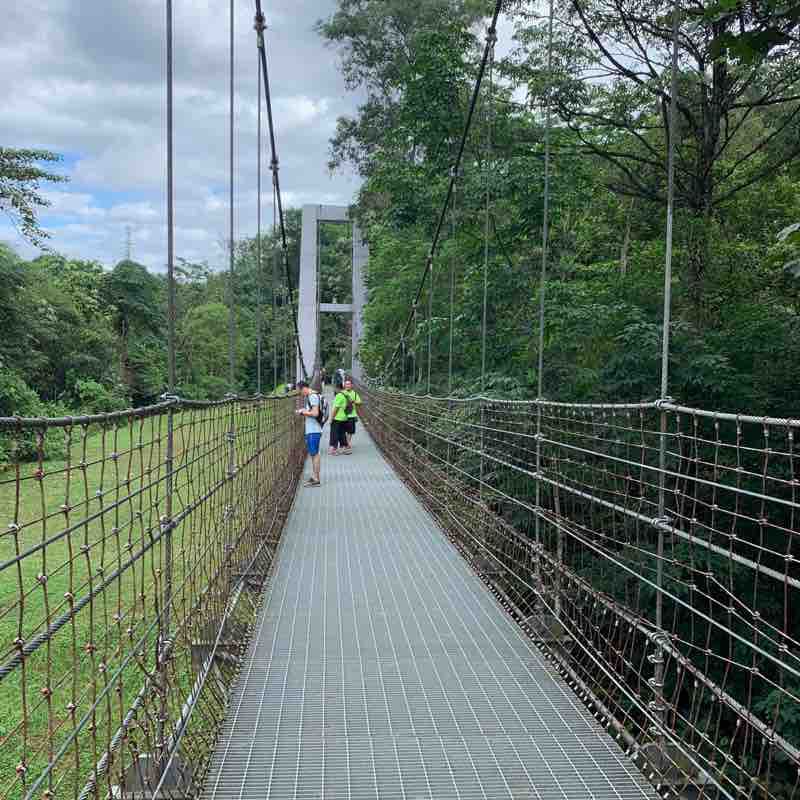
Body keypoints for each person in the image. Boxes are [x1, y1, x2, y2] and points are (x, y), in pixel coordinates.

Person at [296, 379, 322, 486]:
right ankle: (315, 477)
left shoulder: (312, 397)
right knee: (313, 454)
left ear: (304, 388)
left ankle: (316, 479)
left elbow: (315, 413)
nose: (300, 393)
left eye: (300, 391)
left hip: (314, 430)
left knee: (314, 454)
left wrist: (302, 412)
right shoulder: (311, 396)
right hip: (313, 430)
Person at [329, 385, 351, 455]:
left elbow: (336, 408)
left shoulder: (339, 395)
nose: (334, 390)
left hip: (337, 418)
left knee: (334, 434)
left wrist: (331, 419)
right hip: (345, 418)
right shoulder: (347, 394)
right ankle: (345, 449)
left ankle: (334, 450)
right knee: (342, 434)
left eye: (334, 388)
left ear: (337, 388)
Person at [343, 377, 362, 449]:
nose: (347, 385)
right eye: (346, 384)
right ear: (344, 385)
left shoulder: (354, 394)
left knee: (350, 431)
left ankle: (347, 443)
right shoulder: (342, 393)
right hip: (343, 415)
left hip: (352, 415)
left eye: (349, 384)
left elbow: (360, 402)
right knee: (343, 430)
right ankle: (345, 443)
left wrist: (354, 402)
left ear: (351, 385)